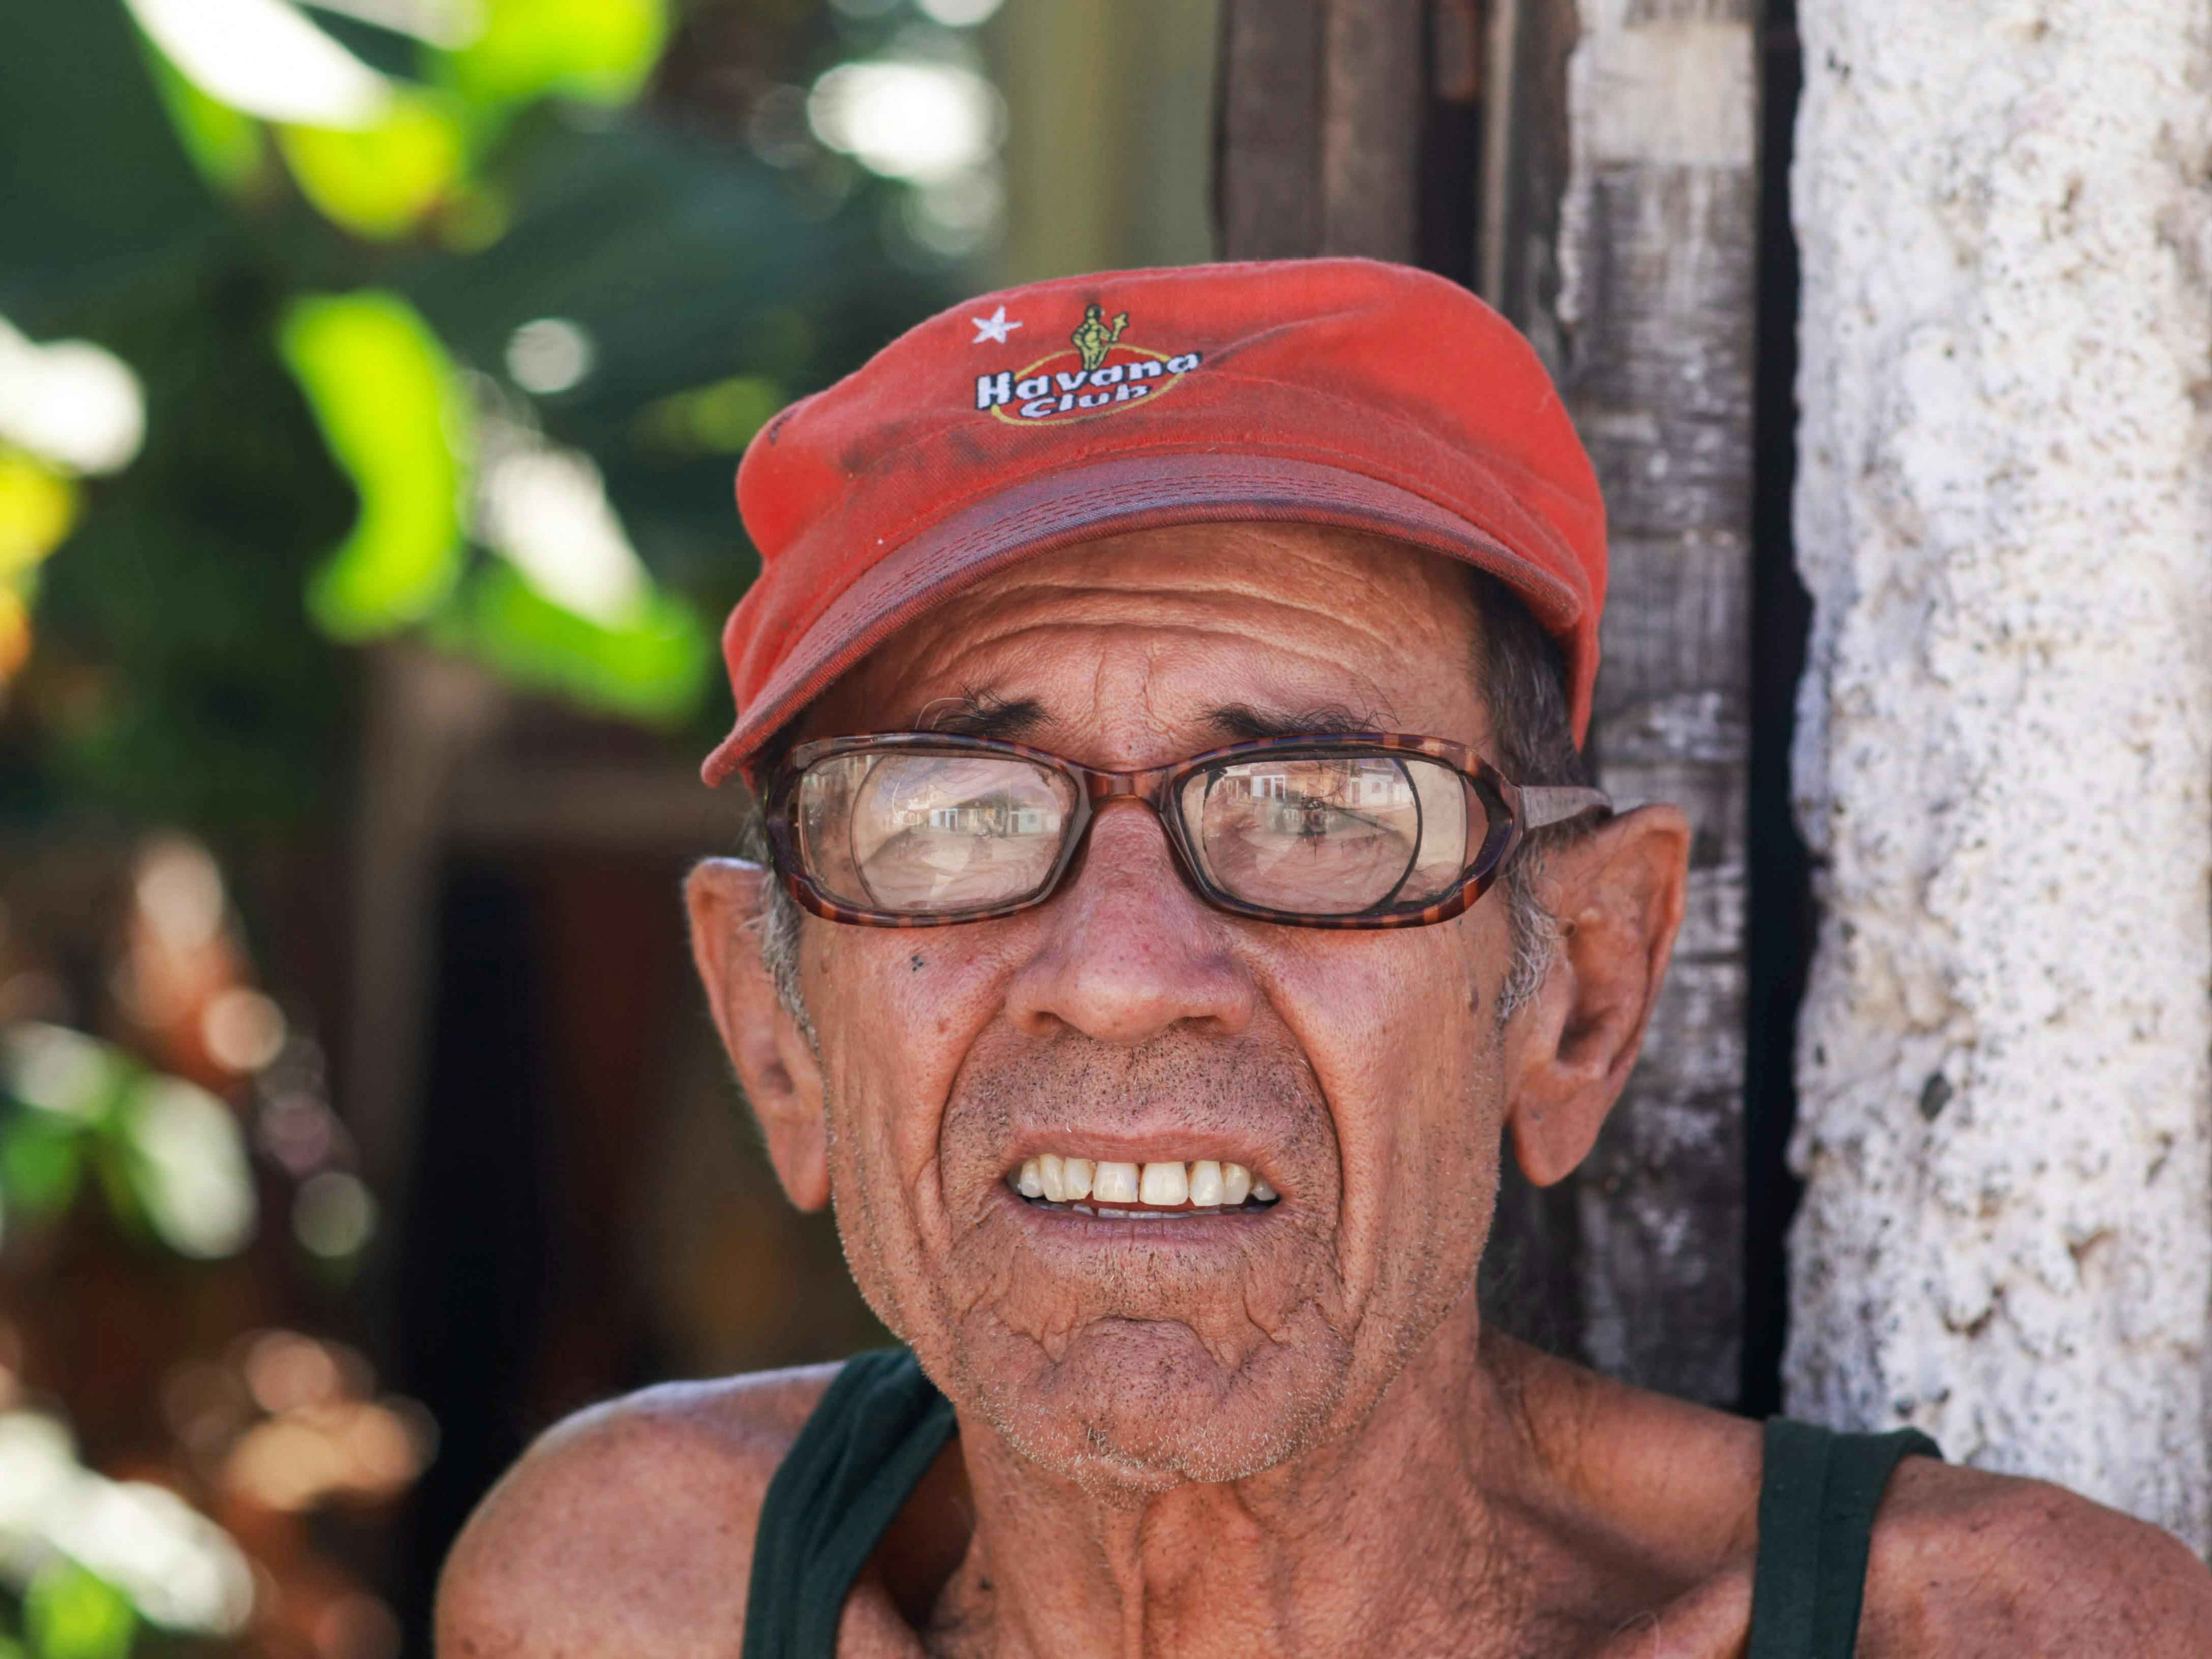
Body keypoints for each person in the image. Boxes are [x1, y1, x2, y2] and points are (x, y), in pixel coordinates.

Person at [435, 260, 2212, 1656]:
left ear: (1580, 992)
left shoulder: (2018, 1639)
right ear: (776, 1034)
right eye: (956, 817)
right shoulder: (615, 1599)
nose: (1126, 973)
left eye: (1317, 809)